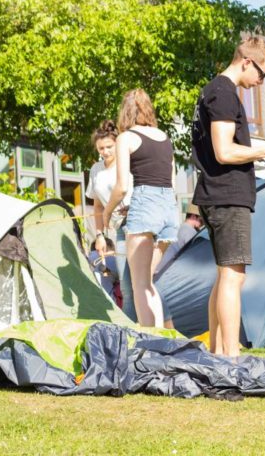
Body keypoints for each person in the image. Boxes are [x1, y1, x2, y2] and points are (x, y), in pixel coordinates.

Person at [192, 37, 265, 357]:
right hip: (226, 197)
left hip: (215, 194)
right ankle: (231, 356)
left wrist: (257, 158)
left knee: (224, 277)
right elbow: (223, 150)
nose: (261, 82)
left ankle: (219, 352)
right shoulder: (224, 93)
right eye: (261, 74)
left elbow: (224, 150)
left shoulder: (213, 91)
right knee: (234, 277)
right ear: (247, 61)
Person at [104, 88, 178, 328]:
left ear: (124, 112)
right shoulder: (165, 137)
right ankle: (162, 338)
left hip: (145, 205)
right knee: (148, 282)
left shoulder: (125, 138)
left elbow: (122, 186)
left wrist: (107, 213)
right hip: (169, 209)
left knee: (139, 285)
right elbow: (171, 182)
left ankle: (148, 343)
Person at [85, 120, 133, 312]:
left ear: (117, 144)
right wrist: (99, 235)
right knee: (126, 285)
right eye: (100, 148)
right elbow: (97, 206)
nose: (105, 152)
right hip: (117, 228)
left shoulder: (126, 164)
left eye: (109, 147)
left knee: (141, 282)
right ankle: (132, 332)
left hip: (135, 222)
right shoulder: (96, 169)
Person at [155, 202, 204, 274]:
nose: (202, 224)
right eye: (201, 220)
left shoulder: (180, 227)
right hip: (168, 271)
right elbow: (193, 257)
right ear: (193, 216)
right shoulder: (190, 230)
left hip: (161, 268)